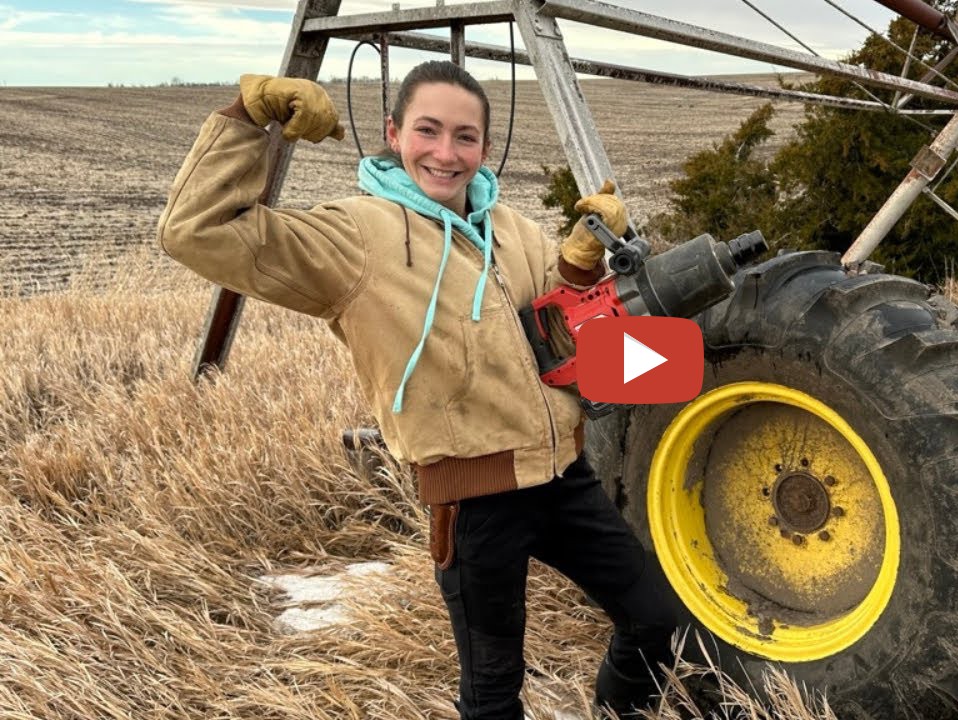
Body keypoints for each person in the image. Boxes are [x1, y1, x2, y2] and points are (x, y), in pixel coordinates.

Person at [158, 61, 679, 720]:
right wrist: (249, 117)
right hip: (476, 504)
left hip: (563, 477)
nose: (446, 152)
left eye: (465, 137)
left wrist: (577, 263)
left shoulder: (512, 229)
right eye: (427, 131)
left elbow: (559, 327)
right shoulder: (357, 237)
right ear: (395, 134)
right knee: (494, 692)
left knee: (656, 620)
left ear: (484, 149)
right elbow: (193, 232)